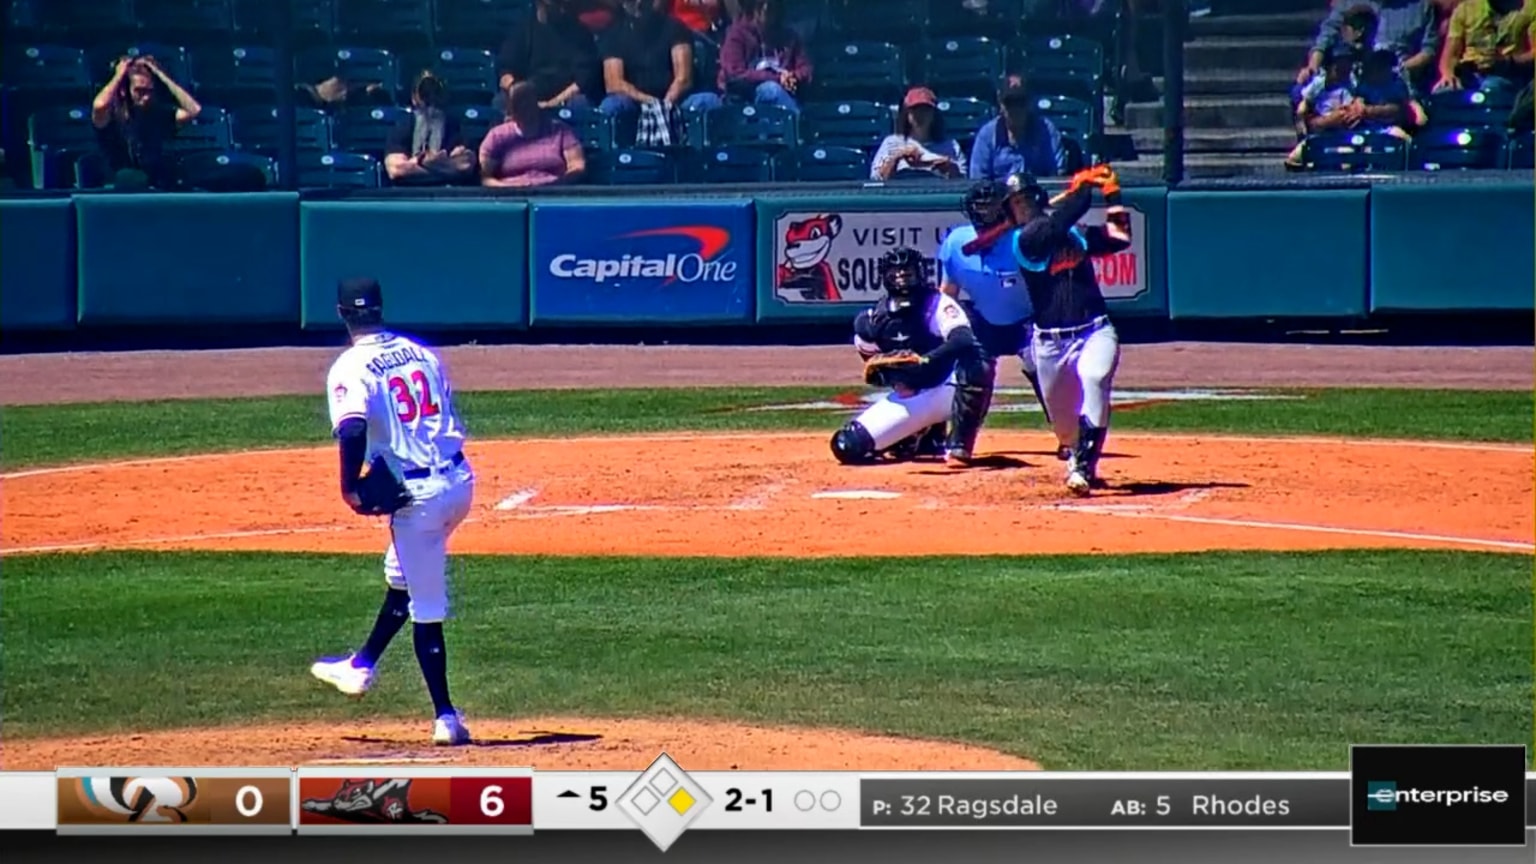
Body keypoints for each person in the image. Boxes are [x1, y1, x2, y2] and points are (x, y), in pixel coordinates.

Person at [310, 277, 477, 747]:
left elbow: (352, 429)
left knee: (427, 608)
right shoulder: (420, 352)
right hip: (459, 484)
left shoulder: (350, 366)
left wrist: (349, 489)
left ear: (341, 313)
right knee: (400, 574)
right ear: (380, 308)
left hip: (417, 498)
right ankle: (361, 665)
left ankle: (445, 717)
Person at [1009, 165, 1131, 495]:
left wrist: (1113, 196)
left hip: (1094, 330)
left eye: (1025, 200)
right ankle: (1075, 449)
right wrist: (1083, 189)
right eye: (1015, 204)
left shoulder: (1073, 234)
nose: (1021, 208)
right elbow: (1060, 220)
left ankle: (1084, 467)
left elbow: (1119, 238)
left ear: (1038, 199)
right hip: (1050, 345)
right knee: (1064, 429)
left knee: (1095, 378)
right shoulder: (1024, 242)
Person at [935, 178, 1064, 464]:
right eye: (980, 207)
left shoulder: (1025, 240)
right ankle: (959, 443)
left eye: (991, 207)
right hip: (984, 319)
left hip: (1029, 320)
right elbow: (948, 294)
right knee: (974, 369)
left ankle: (1070, 438)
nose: (985, 213)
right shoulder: (956, 243)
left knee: (1045, 367)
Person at [829, 247, 991, 468]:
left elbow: (963, 339)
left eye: (908, 273)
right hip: (912, 395)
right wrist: (895, 380)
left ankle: (959, 445)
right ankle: (920, 434)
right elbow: (872, 362)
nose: (902, 279)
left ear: (921, 273)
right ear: (884, 277)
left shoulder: (937, 303)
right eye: (896, 273)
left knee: (978, 362)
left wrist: (926, 360)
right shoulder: (872, 320)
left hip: (947, 388)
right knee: (847, 445)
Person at [598, 0, 724, 146]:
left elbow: (683, 78)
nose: (639, 3)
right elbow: (614, 83)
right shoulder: (614, 33)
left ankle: (702, 156)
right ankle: (617, 157)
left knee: (709, 100)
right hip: (635, 102)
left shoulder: (674, 27)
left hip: (676, 99)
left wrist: (665, 105)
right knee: (611, 105)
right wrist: (650, 103)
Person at [89, 56, 201, 189]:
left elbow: (194, 110)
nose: (146, 97)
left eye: (149, 91)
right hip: (117, 184)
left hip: (153, 183)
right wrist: (119, 75)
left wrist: (161, 75)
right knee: (128, 176)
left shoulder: (157, 114)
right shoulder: (110, 116)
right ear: (124, 91)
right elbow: (100, 105)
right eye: (139, 91)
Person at [495, 0, 603, 113]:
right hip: (528, 95)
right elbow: (506, 70)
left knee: (580, 103)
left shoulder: (579, 33)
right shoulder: (524, 28)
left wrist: (552, 104)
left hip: (564, 98)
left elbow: (582, 81)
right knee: (500, 101)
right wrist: (520, 94)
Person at [479, 81, 587, 187]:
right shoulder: (497, 136)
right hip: (511, 192)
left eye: (528, 102)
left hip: (552, 190)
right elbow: (485, 177)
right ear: (510, 107)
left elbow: (577, 166)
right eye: (519, 103)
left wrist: (556, 185)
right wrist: (506, 188)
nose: (524, 107)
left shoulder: (560, 130)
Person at [384, 71, 477, 186]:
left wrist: (420, 163)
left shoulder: (458, 127)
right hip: (409, 192)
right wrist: (433, 163)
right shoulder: (402, 127)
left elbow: (465, 165)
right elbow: (396, 170)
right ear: (414, 98)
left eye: (436, 92)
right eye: (425, 93)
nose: (431, 98)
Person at [718, 0, 814, 113]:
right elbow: (735, 73)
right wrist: (777, 78)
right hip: (745, 97)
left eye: (772, 6)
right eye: (762, 5)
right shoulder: (736, 35)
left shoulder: (789, 37)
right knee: (771, 90)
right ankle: (798, 120)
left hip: (786, 93)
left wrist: (793, 77)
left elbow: (806, 68)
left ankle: (797, 120)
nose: (767, 10)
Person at [968, 75, 1069, 181]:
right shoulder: (987, 136)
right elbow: (978, 180)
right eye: (1009, 102)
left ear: (1029, 102)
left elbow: (1057, 177)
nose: (1015, 109)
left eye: (1020, 102)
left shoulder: (1046, 131)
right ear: (1001, 103)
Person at [1434, 0, 1535, 93]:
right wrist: (1448, 73)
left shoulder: (1530, 8)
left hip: (1508, 75)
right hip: (1468, 73)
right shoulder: (1466, 8)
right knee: (1443, 93)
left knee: (1492, 87)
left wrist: (1508, 61)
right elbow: (1451, 54)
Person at [869, 86, 967, 181]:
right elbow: (877, 180)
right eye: (915, 110)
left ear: (934, 114)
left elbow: (963, 181)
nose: (920, 115)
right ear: (907, 114)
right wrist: (897, 158)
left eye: (925, 110)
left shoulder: (951, 146)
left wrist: (949, 167)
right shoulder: (890, 143)